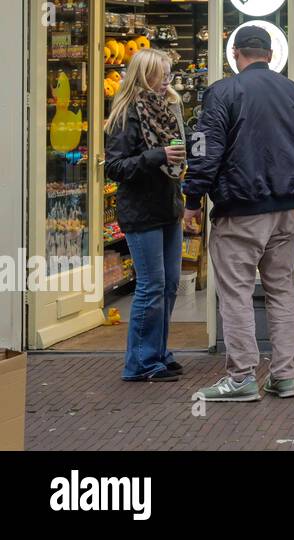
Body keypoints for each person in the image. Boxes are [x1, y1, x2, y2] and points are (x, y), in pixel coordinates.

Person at [183, 27, 294, 403]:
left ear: (236, 53)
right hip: (287, 207)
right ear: (271, 53)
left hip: (240, 207)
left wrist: (193, 200)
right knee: (282, 292)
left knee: (236, 294)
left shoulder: (222, 93)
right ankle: (284, 376)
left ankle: (242, 376)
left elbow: (206, 152)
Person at [105, 48, 187, 383]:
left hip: (168, 206)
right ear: (145, 74)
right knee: (152, 286)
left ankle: (158, 352)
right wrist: (158, 156)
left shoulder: (168, 108)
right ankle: (140, 362)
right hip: (141, 212)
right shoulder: (125, 115)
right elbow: (115, 167)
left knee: (169, 285)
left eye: (169, 72)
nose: (168, 78)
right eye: (162, 72)